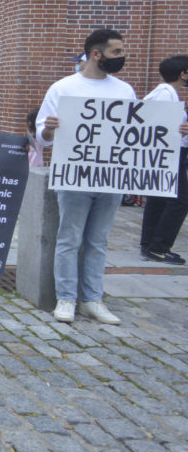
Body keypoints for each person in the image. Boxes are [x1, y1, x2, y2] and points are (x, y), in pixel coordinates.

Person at [37, 29, 135, 325]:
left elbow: (136, 134)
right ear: (97, 54)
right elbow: (42, 138)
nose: (122, 57)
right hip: (74, 177)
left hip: (111, 177)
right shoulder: (63, 88)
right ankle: (66, 298)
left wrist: (169, 134)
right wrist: (49, 130)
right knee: (69, 237)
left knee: (98, 240)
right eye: (116, 52)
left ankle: (92, 299)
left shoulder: (125, 90)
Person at [139, 55, 188, 264]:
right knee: (179, 202)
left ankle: (149, 244)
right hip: (169, 154)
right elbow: (160, 127)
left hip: (163, 154)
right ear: (183, 74)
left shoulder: (164, 93)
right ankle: (159, 246)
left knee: (158, 198)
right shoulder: (167, 95)